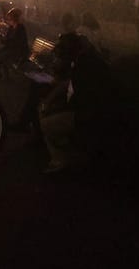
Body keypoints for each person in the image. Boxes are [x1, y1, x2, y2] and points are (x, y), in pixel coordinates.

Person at [38, 30, 113, 173]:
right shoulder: (86, 59)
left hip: (91, 114)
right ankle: (71, 149)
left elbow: (79, 98)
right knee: (50, 110)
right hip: (96, 108)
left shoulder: (83, 65)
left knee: (46, 124)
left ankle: (60, 159)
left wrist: (55, 107)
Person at [9, 12, 82, 136]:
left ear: (67, 24)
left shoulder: (69, 40)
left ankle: (30, 127)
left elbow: (61, 64)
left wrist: (49, 63)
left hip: (62, 81)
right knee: (35, 85)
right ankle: (30, 126)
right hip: (62, 78)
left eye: (64, 23)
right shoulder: (73, 39)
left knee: (35, 89)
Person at [0, 7, 30, 79]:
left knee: (2, 56)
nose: (8, 21)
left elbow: (18, 43)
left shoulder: (20, 28)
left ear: (14, 19)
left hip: (19, 51)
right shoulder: (11, 28)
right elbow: (8, 40)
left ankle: (6, 76)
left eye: (9, 19)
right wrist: (2, 38)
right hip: (11, 48)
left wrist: (5, 40)